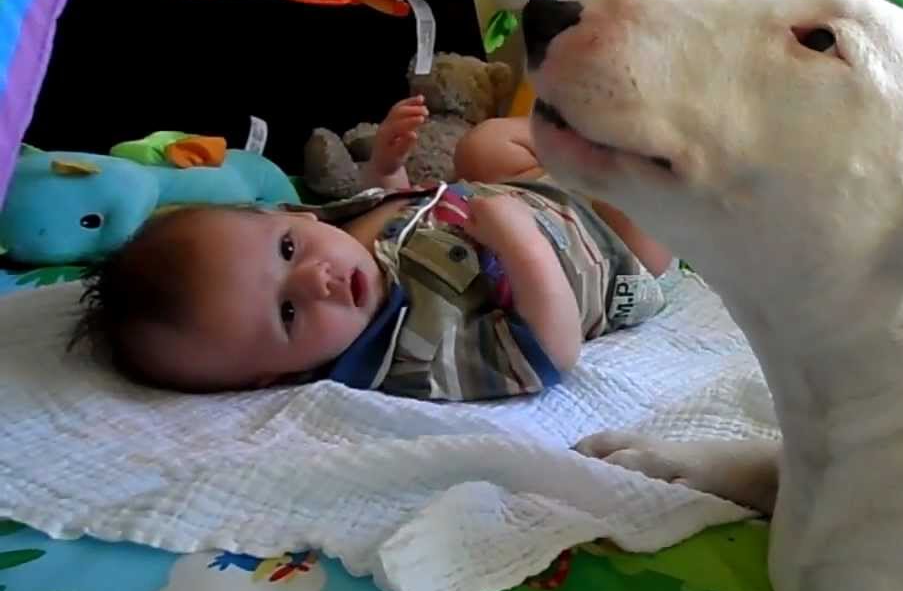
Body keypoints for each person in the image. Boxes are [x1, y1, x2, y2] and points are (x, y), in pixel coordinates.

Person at [73, 96, 676, 401]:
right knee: (646, 194)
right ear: (273, 376)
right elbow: (554, 349)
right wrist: (519, 238)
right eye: (288, 313)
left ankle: (583, 146)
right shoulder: (410, 357)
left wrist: (386, 170)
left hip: (517, 190)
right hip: (609, 249)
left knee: (486, 140)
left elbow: (404, 212)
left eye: (286, 248)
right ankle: (636, 157)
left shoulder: (332, 234)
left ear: (278, 216)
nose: (317, 277)